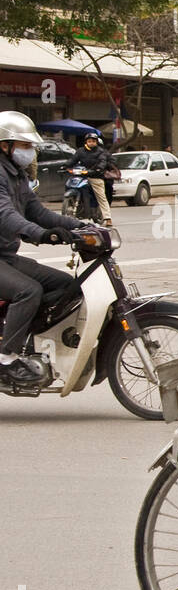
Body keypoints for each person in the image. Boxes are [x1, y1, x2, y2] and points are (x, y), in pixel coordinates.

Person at [0, 111, 83, 387]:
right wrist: (44, 235)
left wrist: (79, 226)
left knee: (65, 284)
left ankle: (26, 342)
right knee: (29, 290)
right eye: (25, 146)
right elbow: (7, 216)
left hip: (6, 256)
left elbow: (37, 211)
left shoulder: (17, 175)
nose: (30, 151)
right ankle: (6, 359)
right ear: (5, 145)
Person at [71, 131, 112, 226]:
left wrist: (98, 169)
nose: (91, 143)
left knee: (101, 197)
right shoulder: (80, 151)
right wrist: (65, 166)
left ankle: (107, 218)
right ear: (86, 142)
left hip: (95, 177)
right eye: (89, 141)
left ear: (96, 142)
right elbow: (73, 160)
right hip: (81, 176)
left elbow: (103, 162)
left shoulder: (101, 152)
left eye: (93, 141)